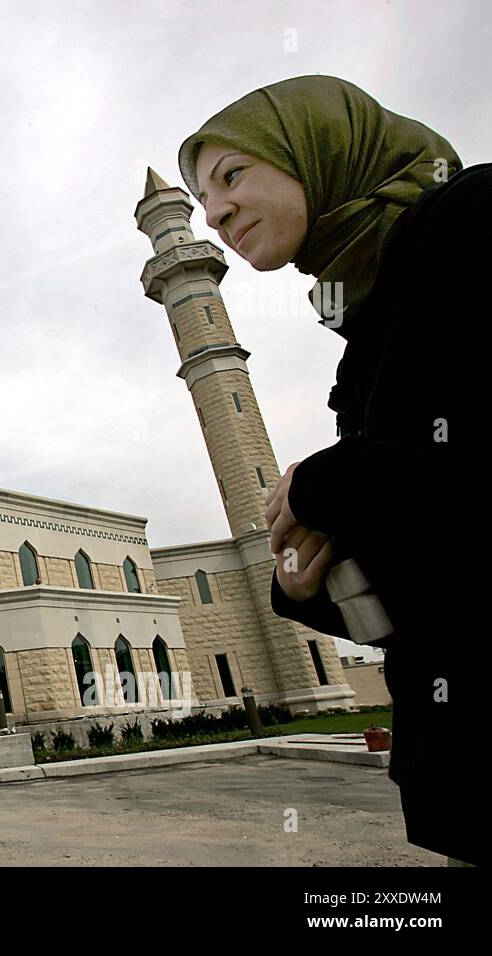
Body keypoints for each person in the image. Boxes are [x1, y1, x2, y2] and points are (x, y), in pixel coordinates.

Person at [176, 75, 486, 866]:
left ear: (317, 147)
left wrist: (320, 485)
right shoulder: (358, 322)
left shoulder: (470, 219)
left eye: (232, 177)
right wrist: (307, 587)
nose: (213, 214)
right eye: (199, 201)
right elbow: (434, 576)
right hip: (463, 782)